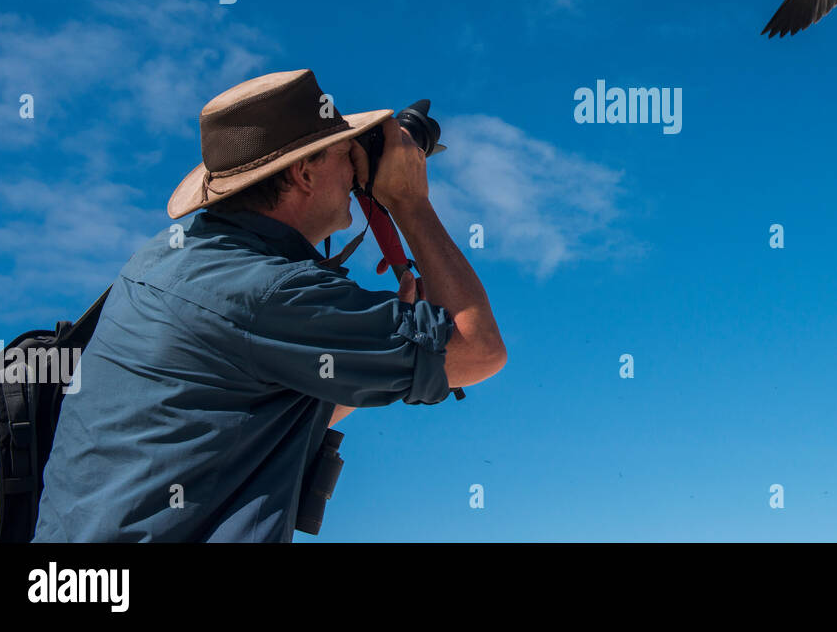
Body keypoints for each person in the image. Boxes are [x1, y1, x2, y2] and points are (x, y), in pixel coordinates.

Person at [32, 69, 504, 541]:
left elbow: (251, 415)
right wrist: (409, 202)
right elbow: (477, 350)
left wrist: (369, 358)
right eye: (347, 152)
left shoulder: (166, 259)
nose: (359, 169)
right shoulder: (266, 291)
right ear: (303, 172)